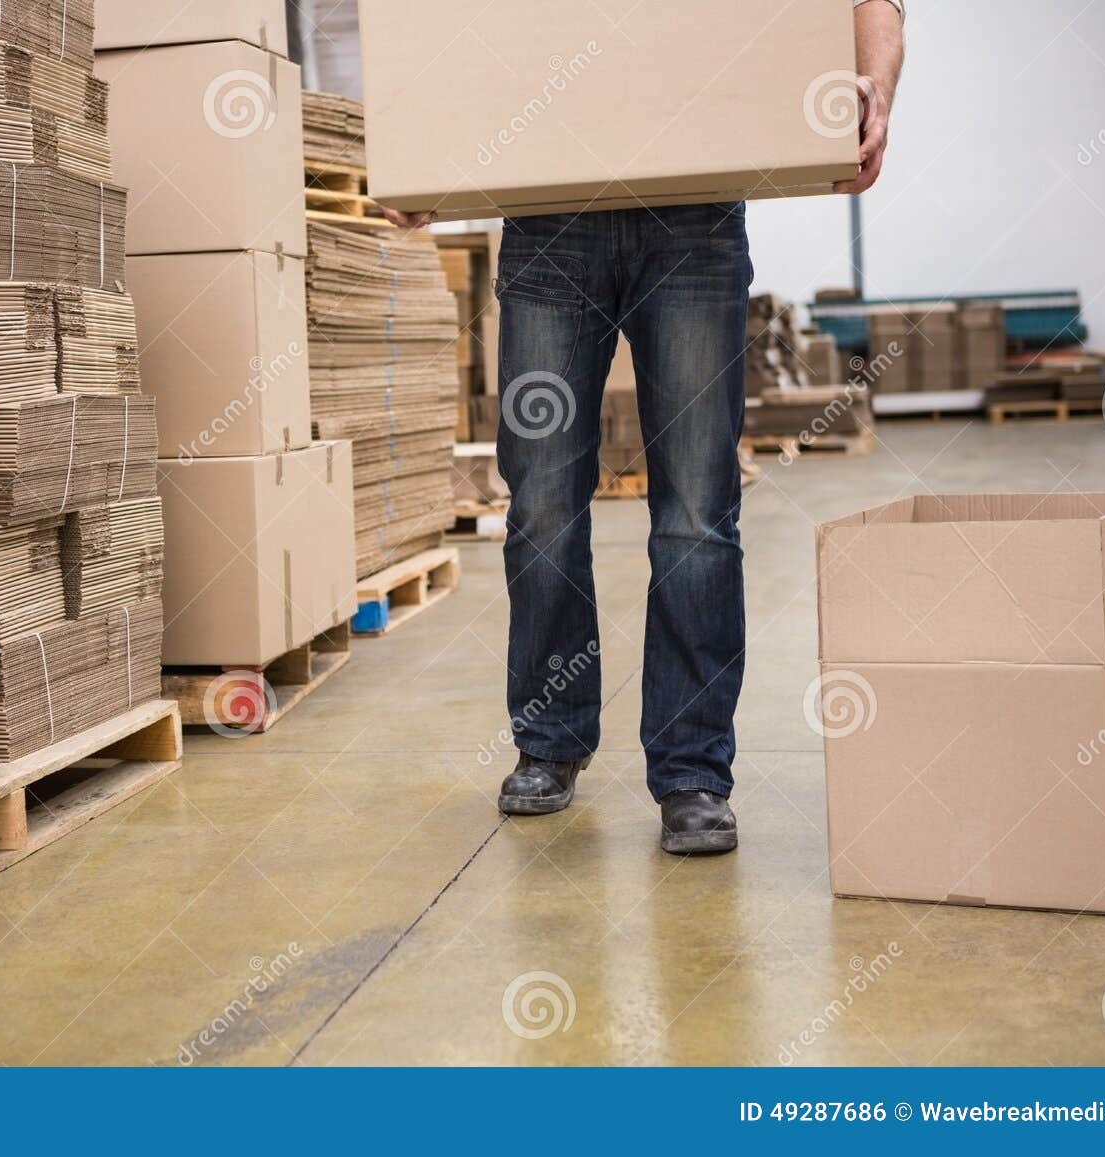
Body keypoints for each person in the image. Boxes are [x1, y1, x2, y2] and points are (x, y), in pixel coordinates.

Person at [384, 1, 906, 854]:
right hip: (551, 230)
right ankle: (550, 740)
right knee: (543, 500)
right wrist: (423, 154)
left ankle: (693, 769)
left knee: (698, 508)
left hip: (694, 225)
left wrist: (873, 90)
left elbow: (868, 4)